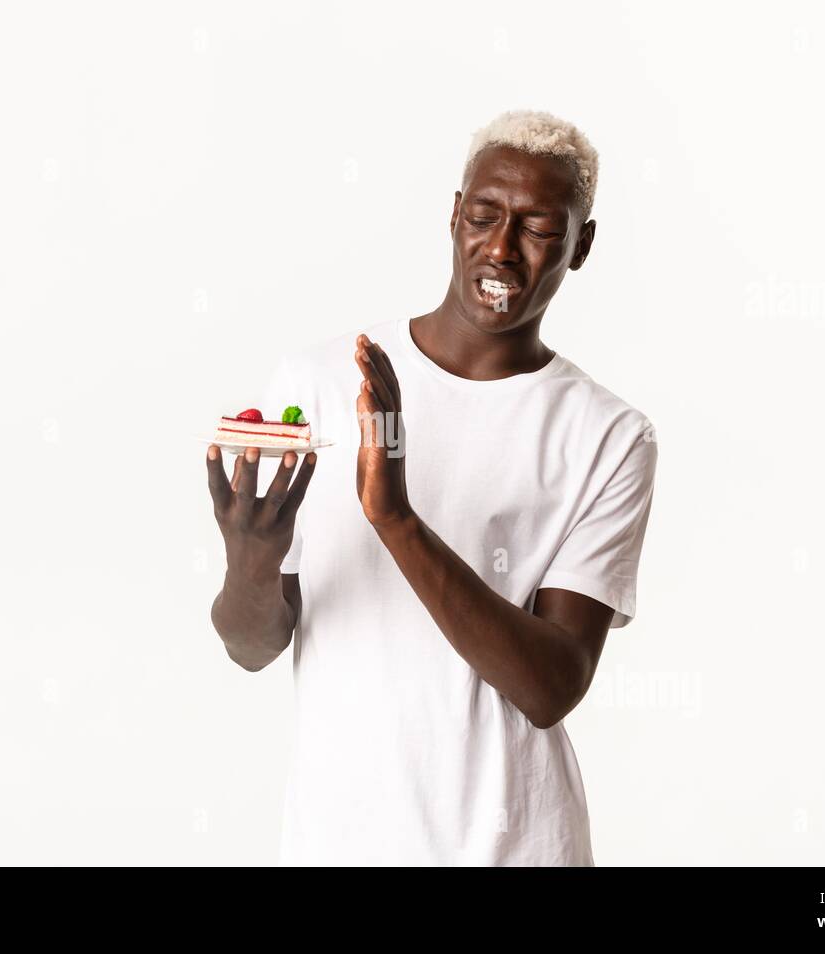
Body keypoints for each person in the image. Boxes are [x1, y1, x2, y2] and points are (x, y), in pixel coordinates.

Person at [205, 110, 658, 866]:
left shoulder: (609, 436)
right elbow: (250, 646)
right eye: (484, 215)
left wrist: (396, 520)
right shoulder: (319, 383)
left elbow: (551, 685)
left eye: (539, 226)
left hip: (512, 847)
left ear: (581, 245)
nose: (502, 249)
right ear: (454, 216)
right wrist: (250, 557)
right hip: (337, 844)